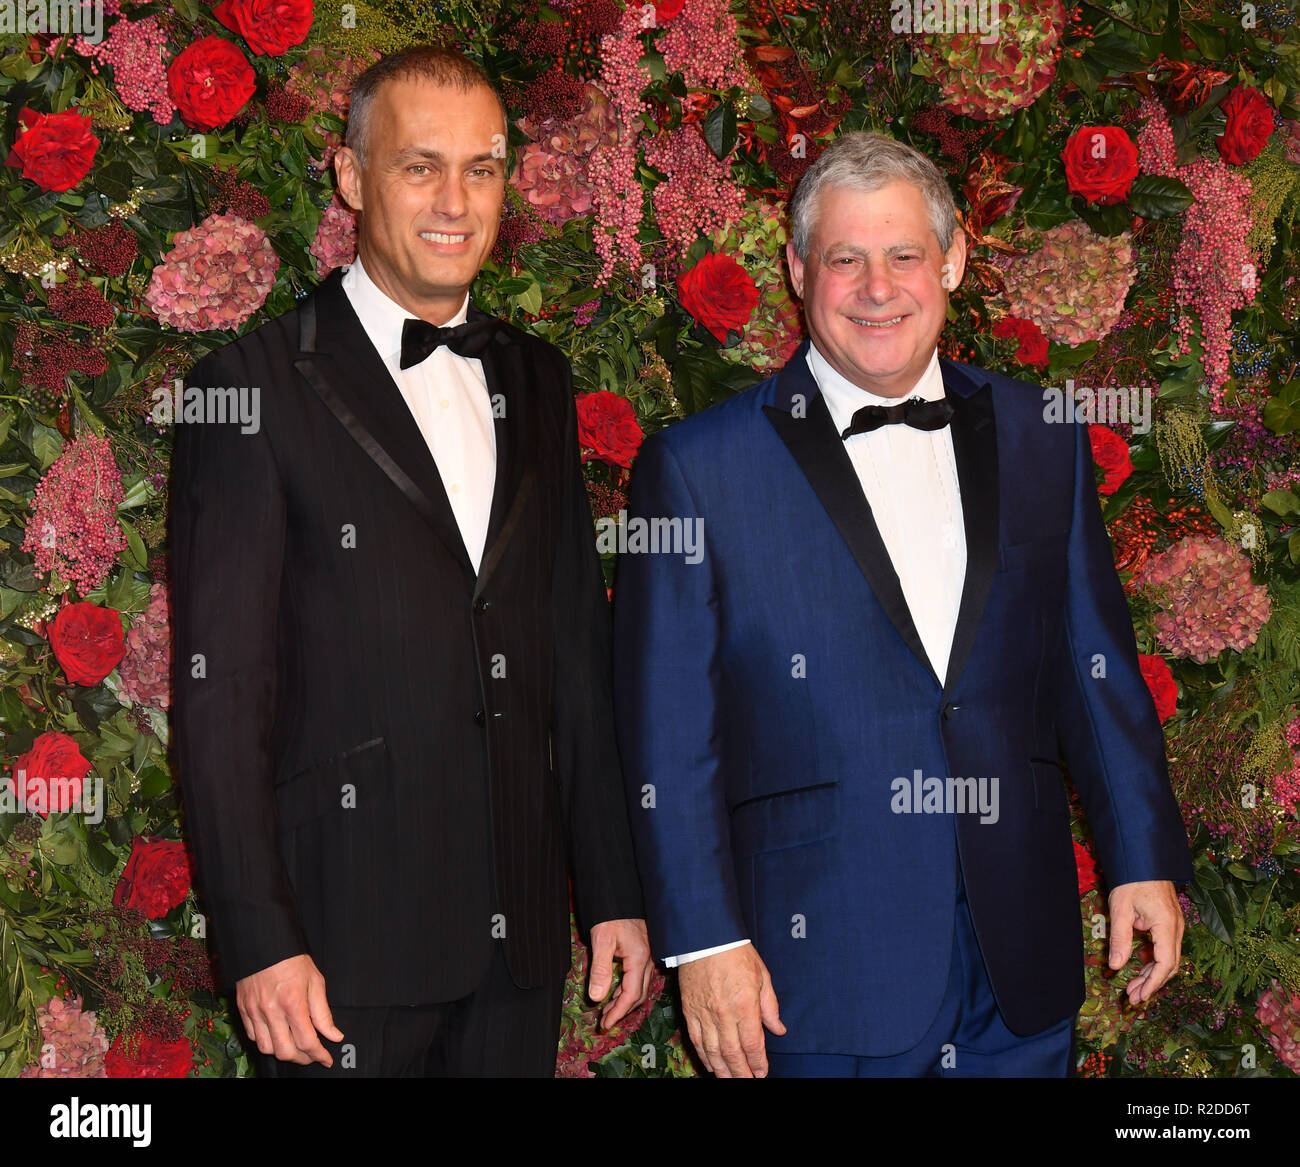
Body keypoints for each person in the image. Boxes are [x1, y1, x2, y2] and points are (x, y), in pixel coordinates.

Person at [613, 131, 1191, 1078]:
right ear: (800, 270)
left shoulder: (1044, 437)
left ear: (953, 259)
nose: (877, 288)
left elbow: (1094, 670)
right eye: (845, 258)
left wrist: (1139, 856)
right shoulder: (696, 469)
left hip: (1019, 969)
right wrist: (704, 940)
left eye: (904, 255)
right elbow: (666, 731)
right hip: (814, 979)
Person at [170, 45, 649, 1078]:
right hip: (336, 951)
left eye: (481, 168)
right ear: (350, 178)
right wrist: (260, 939)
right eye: (418, 166)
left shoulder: (539, 375)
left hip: (515, 948)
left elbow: (573, 650)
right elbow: (221, 697)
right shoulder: (248, 387)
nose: (455, 201)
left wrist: (613, 893)